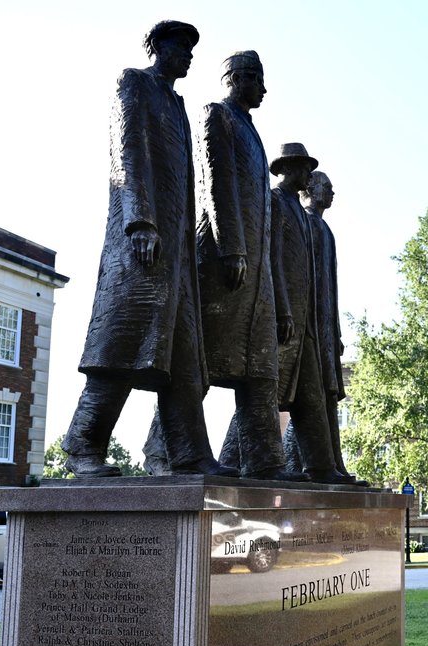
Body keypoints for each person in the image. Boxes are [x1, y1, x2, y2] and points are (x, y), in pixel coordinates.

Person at [65, 20, 231, 478]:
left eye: (191, 50)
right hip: (142, 242)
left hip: (174, 253)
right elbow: (127, 152)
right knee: (121, 343)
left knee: (182, 360)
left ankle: (189, 452)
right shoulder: (134, 83)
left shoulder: (178, 104)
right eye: (181, 47)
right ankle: (83, 444)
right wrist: (140, 221)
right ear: (156, 47)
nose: (189, 56)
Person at [157, 50, 300, 481]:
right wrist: (231, 246)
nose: (264, 89)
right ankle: (165, 451)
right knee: (196, 366)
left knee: (260, 368)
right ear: (237, 78)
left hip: (255, 271)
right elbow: (213, 182)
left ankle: (265, 461)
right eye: (258, 79)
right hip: (223, 261)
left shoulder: (251, 129)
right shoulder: (214, 115)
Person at [269, 144, 358, 484]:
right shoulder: (290, 211)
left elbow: (327, 288)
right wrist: (285, 310)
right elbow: (279, 261)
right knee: (279, 393)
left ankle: (325, 465)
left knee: (317, 398)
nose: (331, 192)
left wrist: (332, 331)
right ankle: (296, 463)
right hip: (295, 320)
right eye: (326, 186)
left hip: (317, 327)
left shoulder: (322, 230)